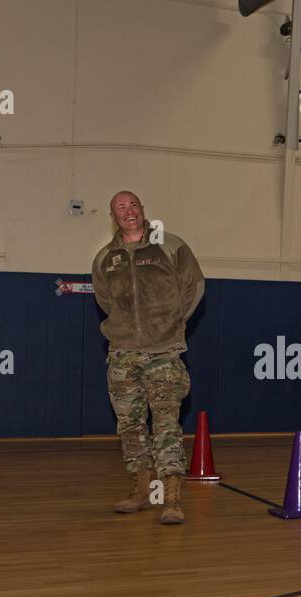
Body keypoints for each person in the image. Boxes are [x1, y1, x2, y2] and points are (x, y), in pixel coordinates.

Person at [91, 191, 205, 525]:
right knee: (130, 426)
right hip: (123, 355)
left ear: (142, 210)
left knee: (166, 423)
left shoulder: (170, 246)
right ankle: (141, 490)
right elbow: (104, 300)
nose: (128, 212)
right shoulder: (104, 258)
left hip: (164, 352)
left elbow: (194, 287)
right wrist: (127, 328)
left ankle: (171, 498)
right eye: (120, 208)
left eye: (132, 205)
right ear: (114, 217)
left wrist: (172, 323)